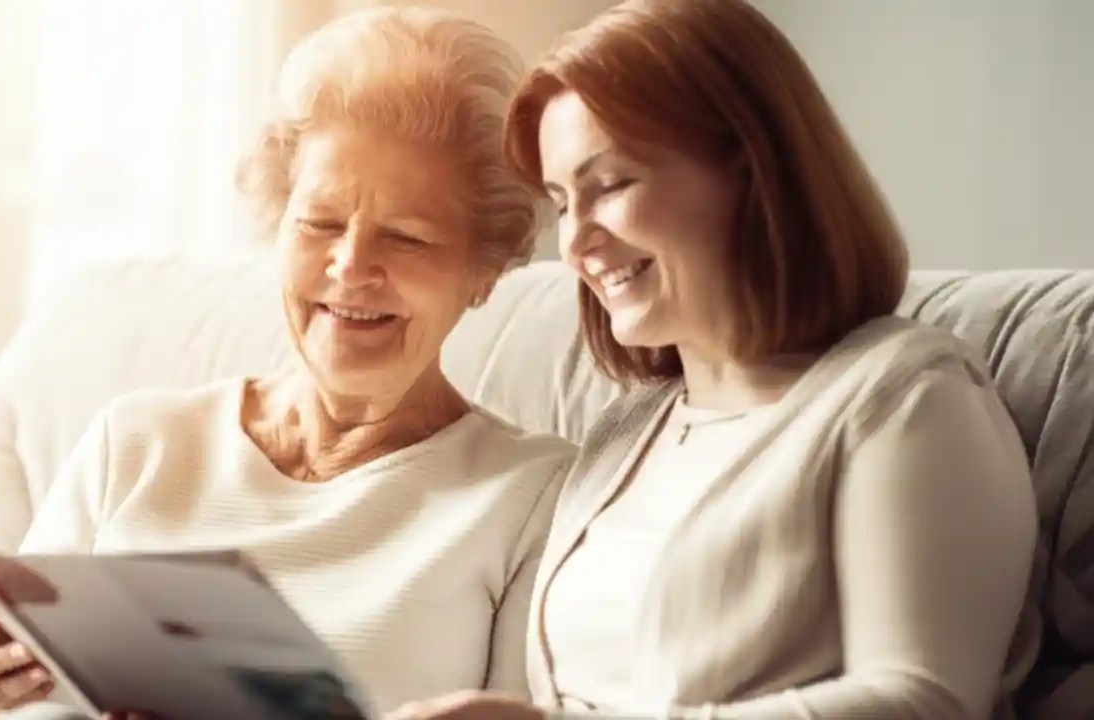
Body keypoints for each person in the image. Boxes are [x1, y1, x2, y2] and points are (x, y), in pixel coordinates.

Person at [0, 7, 574, 720]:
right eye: (319, 222)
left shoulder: (527, 497)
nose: (350, 266)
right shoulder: (135, 443)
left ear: (484, 271)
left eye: (406, 238)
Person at [390, 1, 1040, 718]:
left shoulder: (906, 399)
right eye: (562, 202)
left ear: (753, 170)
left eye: (609, 185)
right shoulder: (627, 431)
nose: (574, 243)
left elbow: (925, 700)